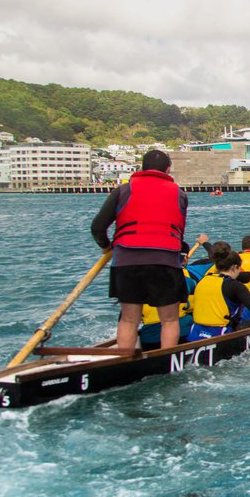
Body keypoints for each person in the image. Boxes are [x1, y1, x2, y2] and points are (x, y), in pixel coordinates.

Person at [90, 149, 188, 352]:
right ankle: (166, 359)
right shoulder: (179, 194)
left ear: (142, 167)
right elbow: (179, 230)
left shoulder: (123, 190)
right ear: (168, 169)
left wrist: (106, 247)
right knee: (169, 319)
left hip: (127, 259)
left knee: (129, 319)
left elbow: (98, 227)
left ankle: (124, 359)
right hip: (164, 259)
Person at [187, 249, 250, 341]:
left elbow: (240, 276)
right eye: (239, 269)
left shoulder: (203, 280)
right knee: (249, 323)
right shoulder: (236, 286)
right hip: (220, 334)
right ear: (234, 267)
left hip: (195, 333)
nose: (239, 272)